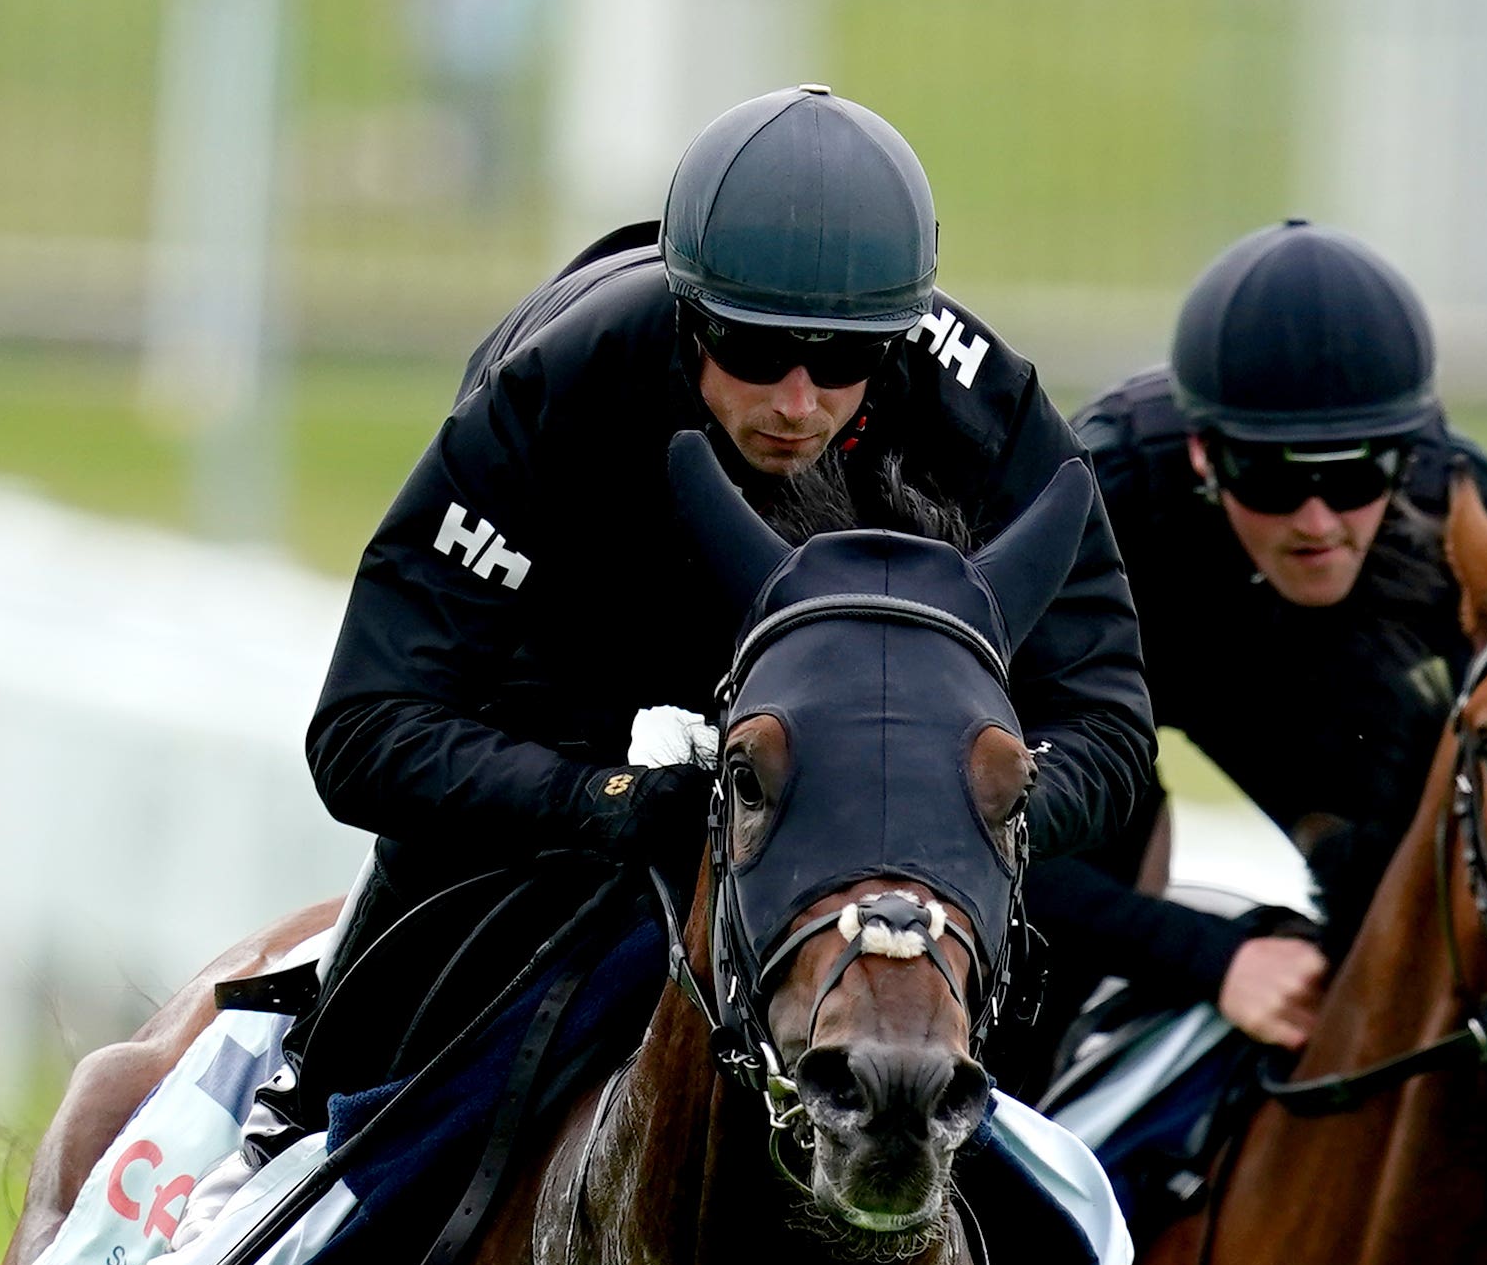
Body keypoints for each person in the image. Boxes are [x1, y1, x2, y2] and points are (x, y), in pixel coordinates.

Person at [296, 84, 1154, 1099]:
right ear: (689, 319)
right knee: (364, 1064)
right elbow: (363, 732)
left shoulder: (984, 418)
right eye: (752, 350)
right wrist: (601, 801)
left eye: (843, 359)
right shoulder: (556, 387)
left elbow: (1105, 727)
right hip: (571, 750)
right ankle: (291, 1130)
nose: (797, 401)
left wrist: (967, 811)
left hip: (868, 837)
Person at [1007, 218, 1487, 1091]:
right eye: (1273, 478)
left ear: (1409, 459)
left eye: (1355, 476)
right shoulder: (1096, 498)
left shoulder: (1464, 519)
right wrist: (1213, 958)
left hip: (1330, 697)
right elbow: (955, 827)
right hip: (1107, 696)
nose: (1318, 523)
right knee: (1047, 900)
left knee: (1431, 886)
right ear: (1203, 452)